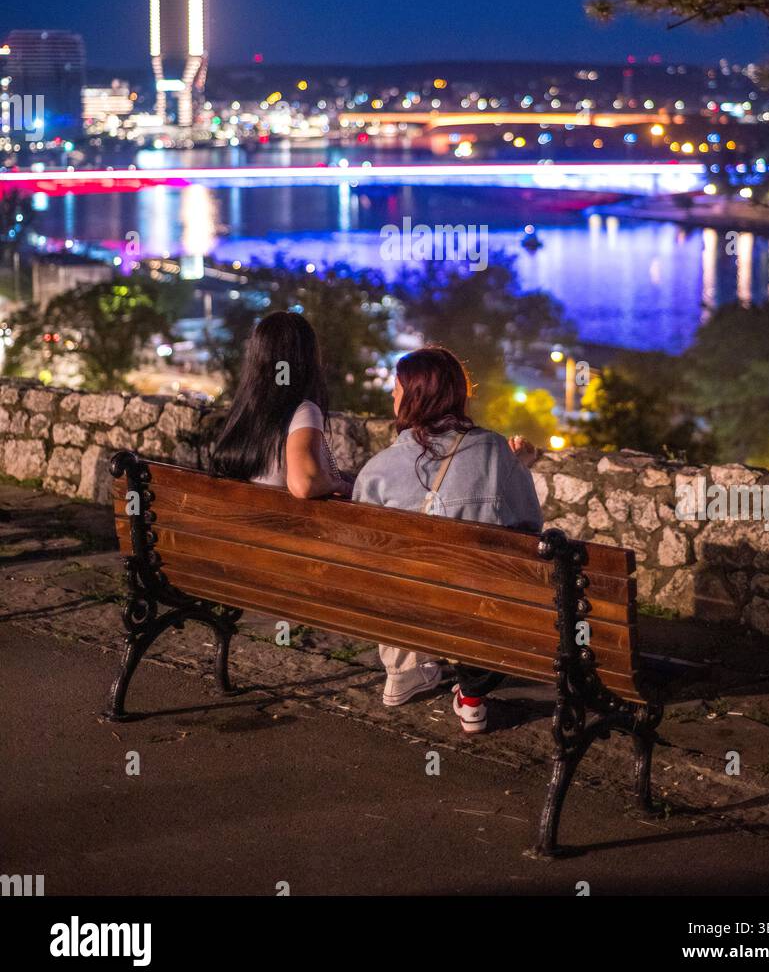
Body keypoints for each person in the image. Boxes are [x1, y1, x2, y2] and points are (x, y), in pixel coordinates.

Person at [352, 345, 543, 734]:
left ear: (415, 396)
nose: (392, 395)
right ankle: (472, 695)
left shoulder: (379, 469)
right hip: (476, 613)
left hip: (405, 609)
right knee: (495, 583)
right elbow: (530, 527)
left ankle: (403, 668)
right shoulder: (494, 450)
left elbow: (361, 548)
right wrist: (512, 468)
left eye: (397, 388)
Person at [211, 310, 351, 498]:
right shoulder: (303, 411)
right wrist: (339, 485)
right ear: (306, 359)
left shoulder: (245, 411)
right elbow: (304, 485)